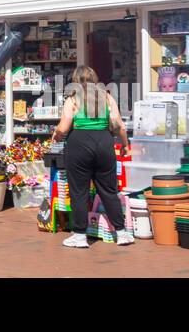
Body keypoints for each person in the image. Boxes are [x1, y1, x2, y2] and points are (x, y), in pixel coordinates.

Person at [51, 65, 133, 248]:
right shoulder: (107, 97)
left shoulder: (72, 100)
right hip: (104, 143)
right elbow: (119, 125)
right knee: (109, 190)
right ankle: (121, 233)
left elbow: (63, 128)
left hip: (79, 145)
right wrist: (125, 145)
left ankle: (80, 236)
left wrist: (55, 135)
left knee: (79, 192)